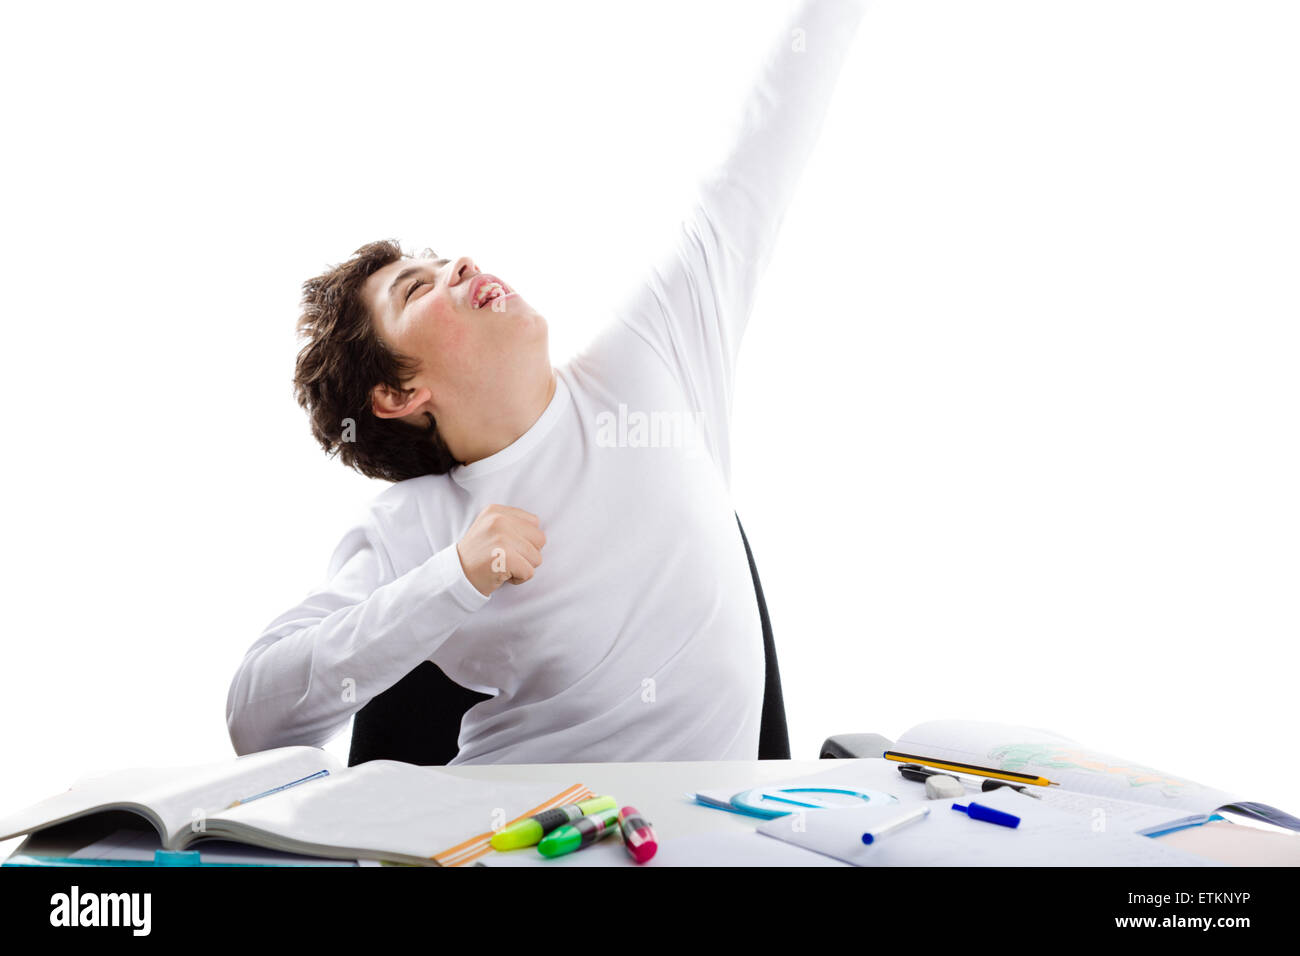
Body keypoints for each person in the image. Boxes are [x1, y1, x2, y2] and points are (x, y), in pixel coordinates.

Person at [226, 0, 869, 764]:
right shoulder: (419, 527)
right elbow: (253, 717)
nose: (458, 263)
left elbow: (767, 132)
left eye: (441, 259)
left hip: (704, 841)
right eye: (416, 289)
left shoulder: (651, 355)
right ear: (397, 397)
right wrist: (454, 580)